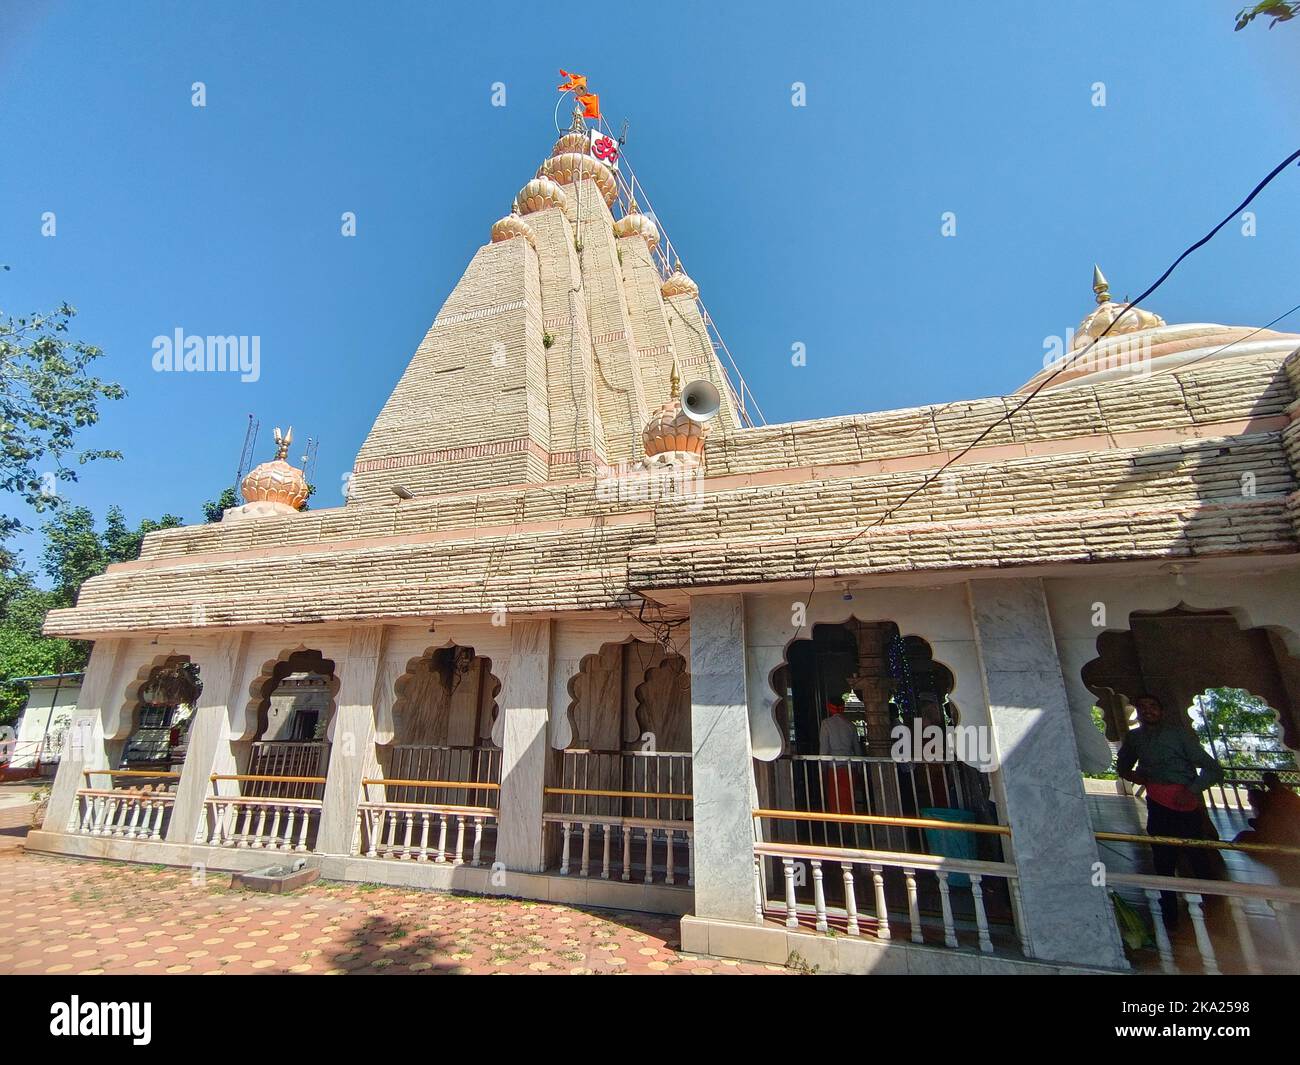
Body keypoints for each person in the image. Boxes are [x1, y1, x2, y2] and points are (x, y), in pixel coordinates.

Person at [1116, 694, 1225, 924]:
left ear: (1161, 711)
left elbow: (1213, 769)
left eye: (1153, 706)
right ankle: (1169, 915)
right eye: (1143, 707)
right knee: (1163, 859)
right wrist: (1135, 776)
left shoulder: (1177, 735)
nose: (1148, 711)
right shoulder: (1136, 738)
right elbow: (1123, 765)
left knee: (1198, 857)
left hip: (1185, 801)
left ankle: (1216, 910)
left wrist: (1192, 790)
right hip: (1158, 801)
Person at [818, 698, 859, 814]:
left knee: (835, 799)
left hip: (834, 766)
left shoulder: (826, 724)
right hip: (850, 765)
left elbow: (824, 749)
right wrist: (860, 768)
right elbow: (857, 748)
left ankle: (839, 826)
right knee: (849, 798)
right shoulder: (850, 725)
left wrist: (822, 767)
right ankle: (850, 826)